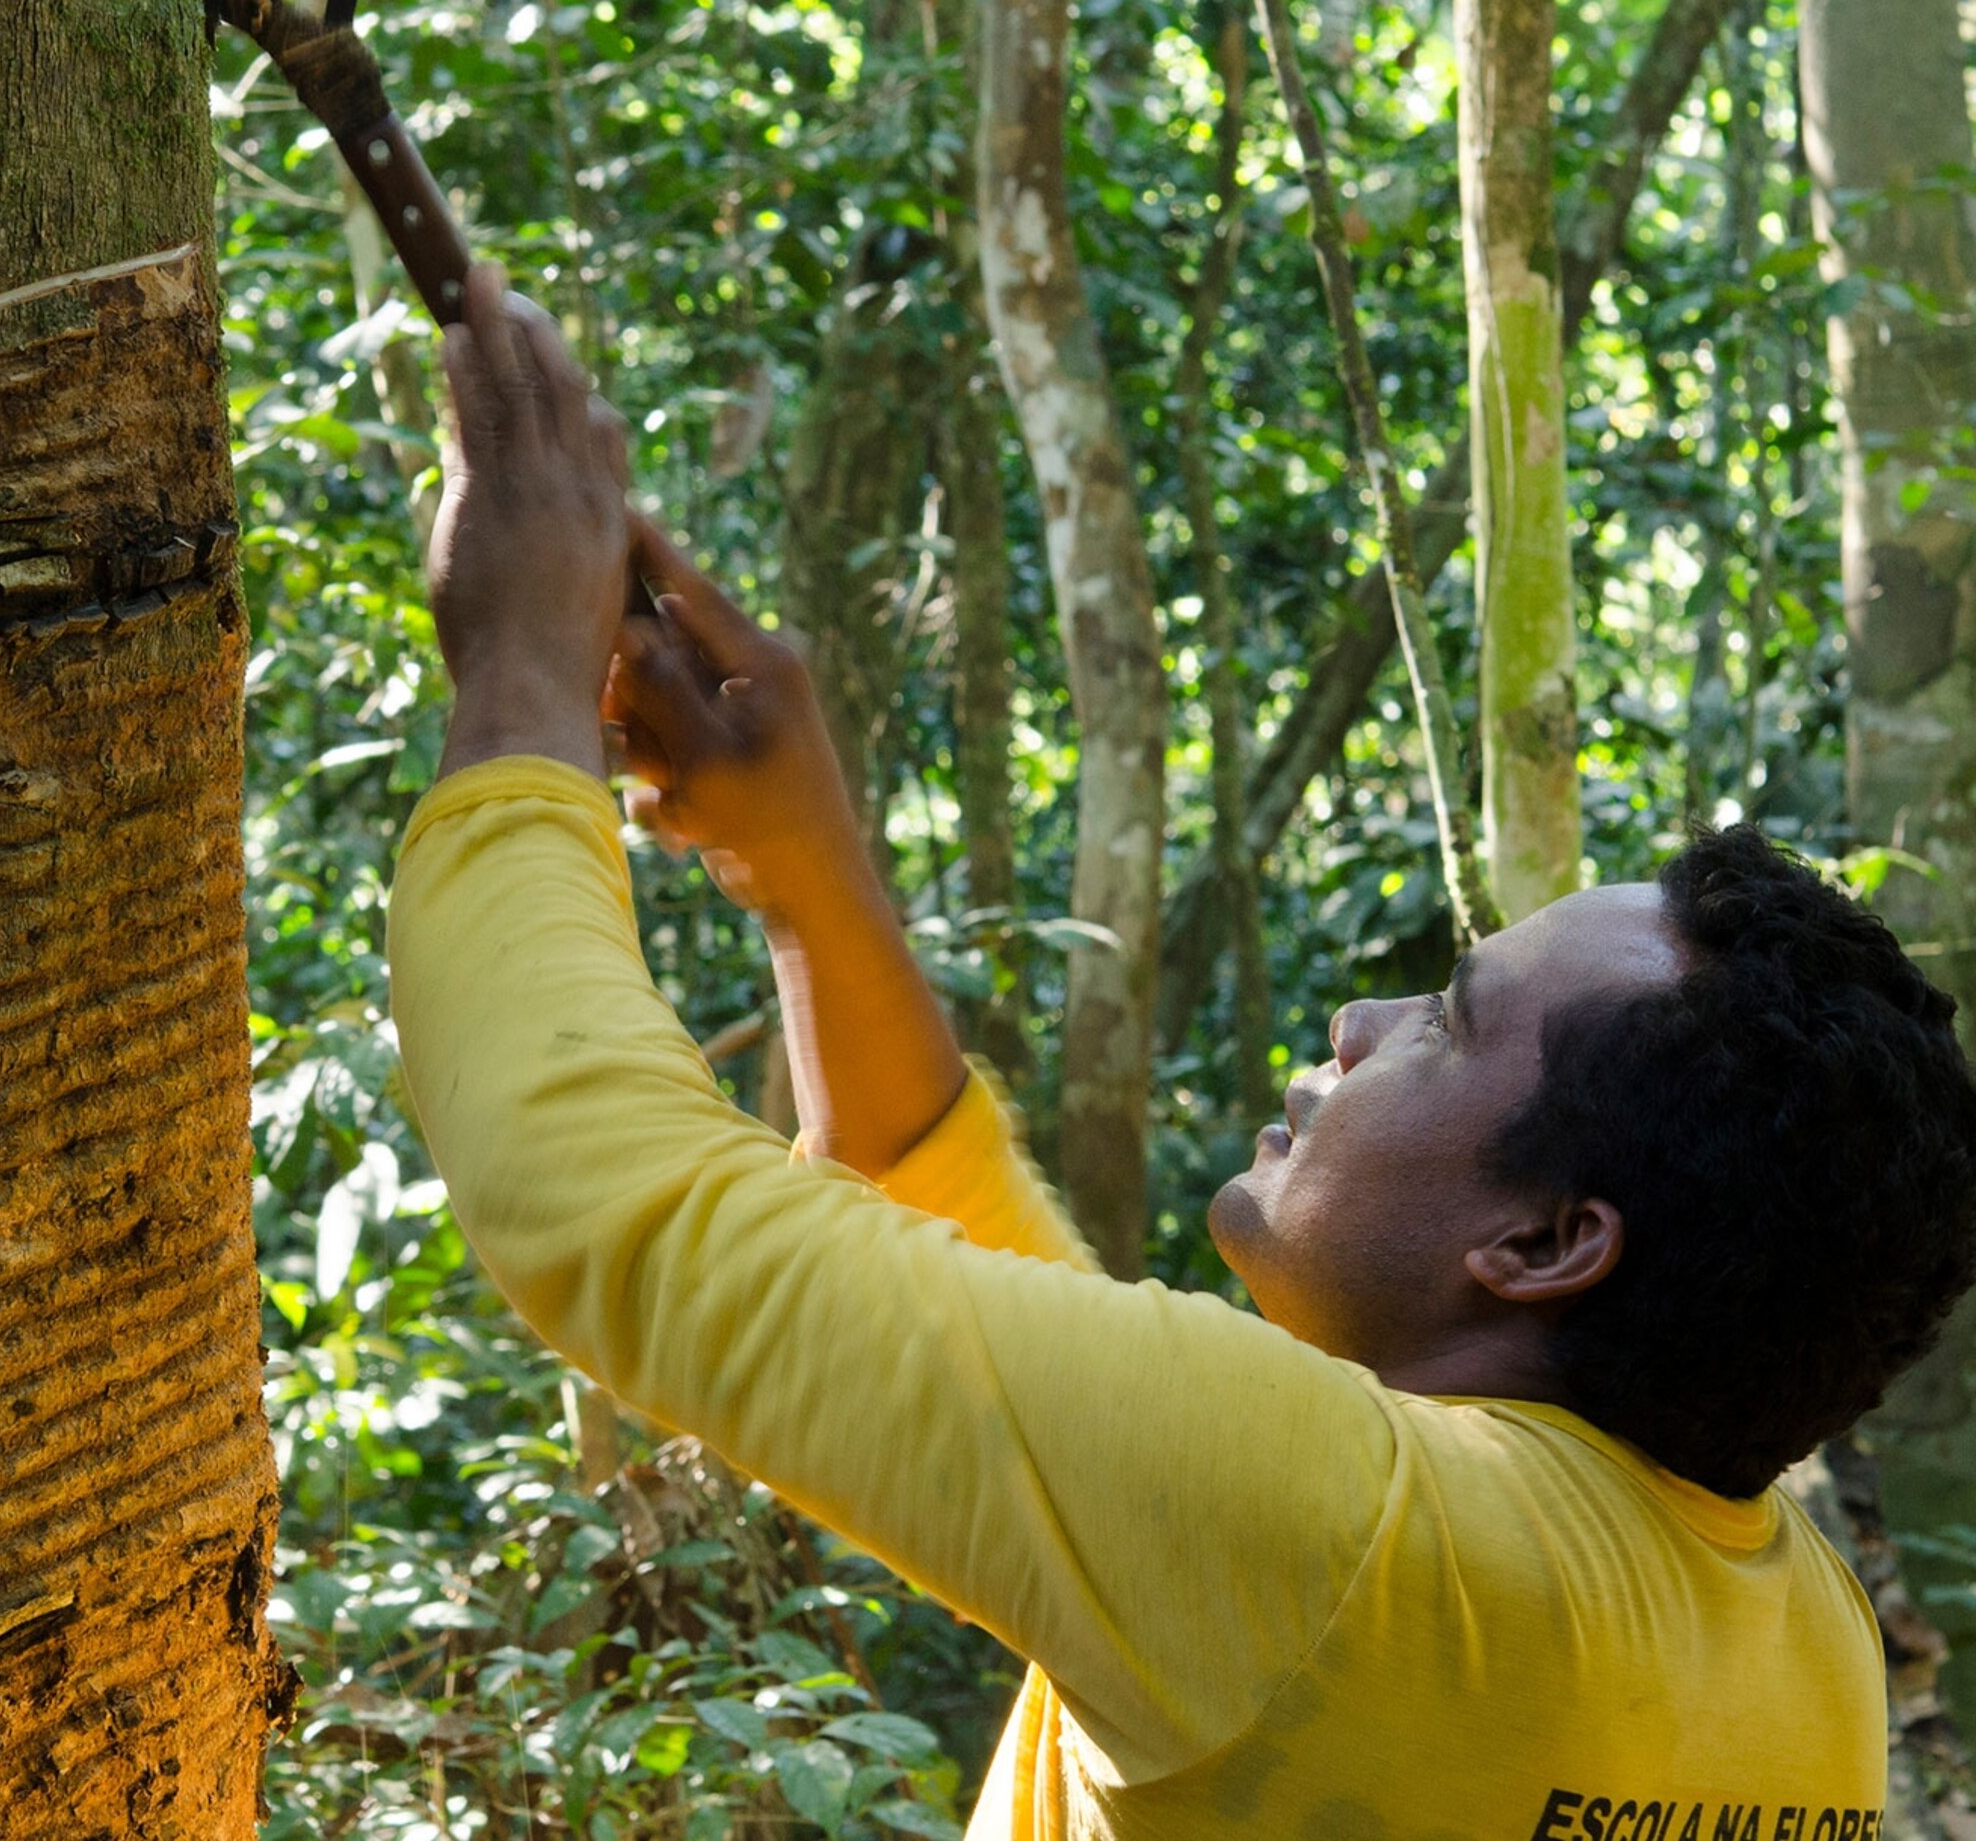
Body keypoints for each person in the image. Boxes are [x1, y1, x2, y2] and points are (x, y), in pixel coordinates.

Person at [385, 264, 1976, 1836]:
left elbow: (599, 1193)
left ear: (1550, 1242)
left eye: (1446, 1020)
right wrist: (804, 878)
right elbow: (1000, 1327)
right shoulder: (1798, 1629)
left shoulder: (1340, 1540)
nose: (1357, 1026)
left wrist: (522, 670)